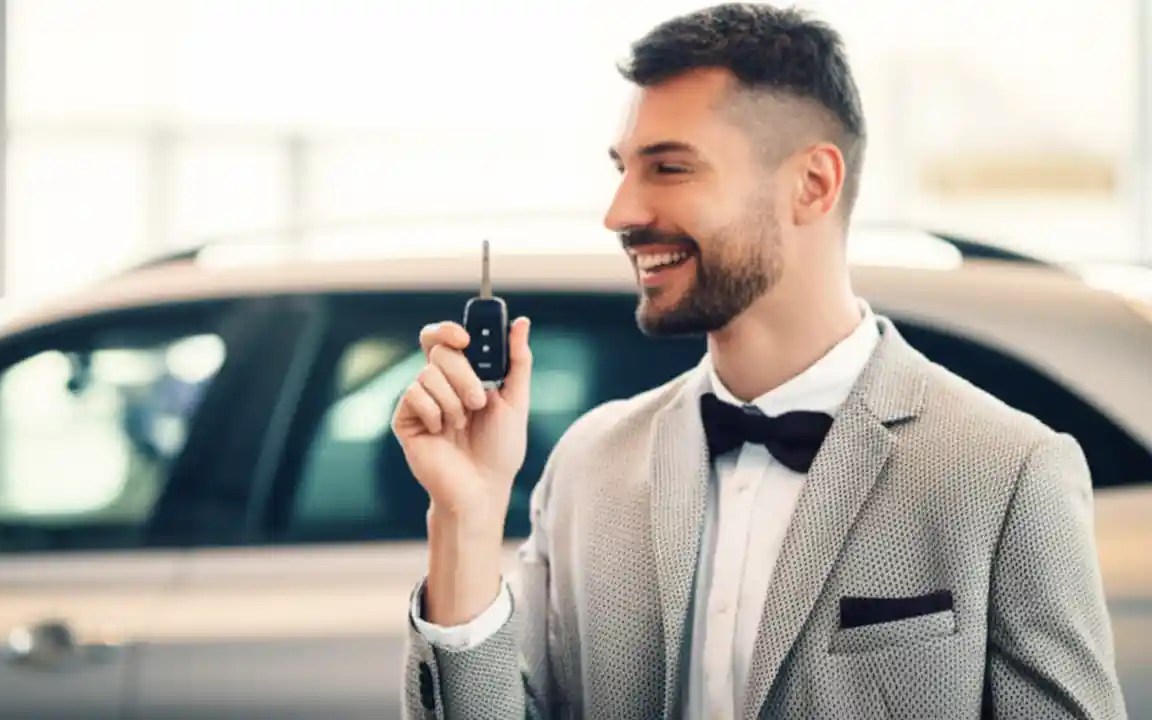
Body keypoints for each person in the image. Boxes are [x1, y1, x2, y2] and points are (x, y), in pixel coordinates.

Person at [390, 4, 1127, 718]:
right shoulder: (589, 465)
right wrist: (465, 517)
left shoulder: (1005, 471)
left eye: (668, 167)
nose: (619, 211)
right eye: (623, 168)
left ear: (812, 185)